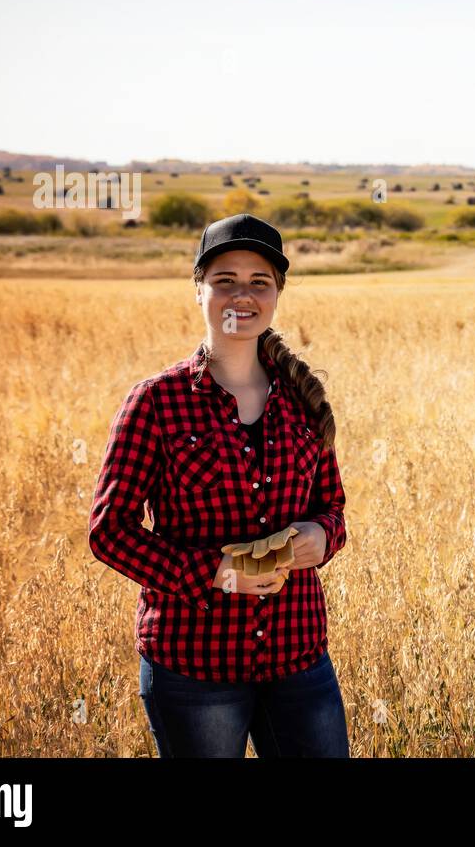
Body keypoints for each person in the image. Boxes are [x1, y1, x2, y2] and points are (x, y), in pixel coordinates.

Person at [88, 213, 349, 757]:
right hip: (195, 665)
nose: (242, 295)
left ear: (278, 293)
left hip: (298, 653)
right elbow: (109, 532)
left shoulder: (303, 398)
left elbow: (333, 507)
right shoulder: (156, 402)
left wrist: (321, 537)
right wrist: (214, 571)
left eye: (260, 282)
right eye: (225, 280)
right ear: (198, 289)